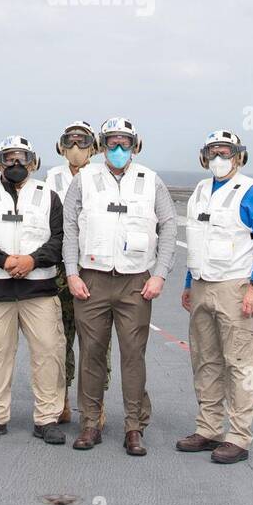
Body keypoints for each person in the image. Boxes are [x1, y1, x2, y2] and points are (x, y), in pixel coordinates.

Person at [63, 116, 178, 456]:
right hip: (92, 280)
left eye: (123, 142)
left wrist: (159, 274)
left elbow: (169, 227)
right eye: (111, 142)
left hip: (135, 282)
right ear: (101, 145)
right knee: (91, 354)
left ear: (135, 145)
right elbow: (70, 228)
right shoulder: (84, 179)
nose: (117, 148)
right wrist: (71, 273)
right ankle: (89, 423)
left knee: (133, 356)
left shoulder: (150, 181)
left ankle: (133, 426)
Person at [0, 136, 67, 445]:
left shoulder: (48, 195)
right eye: (9, 158)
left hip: (39, 289)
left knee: (48, 352)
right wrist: (4, 261)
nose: (16, 164)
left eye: (22, 158)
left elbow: (60, 238)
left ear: (33, 162)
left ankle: (47, 418)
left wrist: (33, 260)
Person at [177, 131, 253, 464]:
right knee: (205, 361)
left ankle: (238, 437)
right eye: (213, 151)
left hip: (236, 287)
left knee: (239, 364)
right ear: (204, 156)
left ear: (239, 155)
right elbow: (198, 242)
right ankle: (208, 429)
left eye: (226, 151)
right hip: (203, 286)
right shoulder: (201, 190)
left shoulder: (251, 192)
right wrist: (190, 282)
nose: (219, 157)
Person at [42, 119, 109, 426]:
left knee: (96, 340)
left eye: (83, 141)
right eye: (70, 140)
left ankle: (96, 403)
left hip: (92, 267)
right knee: (58, 338)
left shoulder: (103, 176)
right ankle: (62, 400)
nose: (76, 147)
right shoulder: (49, 178)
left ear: (93, 147)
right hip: (57, 268)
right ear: (61, 145)